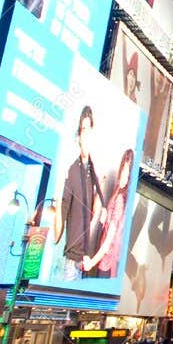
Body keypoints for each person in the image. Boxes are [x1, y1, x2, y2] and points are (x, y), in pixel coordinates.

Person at [56, 106, 106, 279]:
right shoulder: (72, 170)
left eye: (90, 130)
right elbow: (60, 215)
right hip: (69, 262)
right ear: (78, 136)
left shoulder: (90, 171)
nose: (87, 136)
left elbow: (91, 217)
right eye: (83, 130)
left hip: (82, 260)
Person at [82, 149, 133, 279]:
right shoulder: (117, 191)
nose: (123, 177)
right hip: (103, 259)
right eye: (122, 170)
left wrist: (91, 263)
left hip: (107, 263)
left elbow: (109, 240)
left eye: (127, 174)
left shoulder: (121, 198)